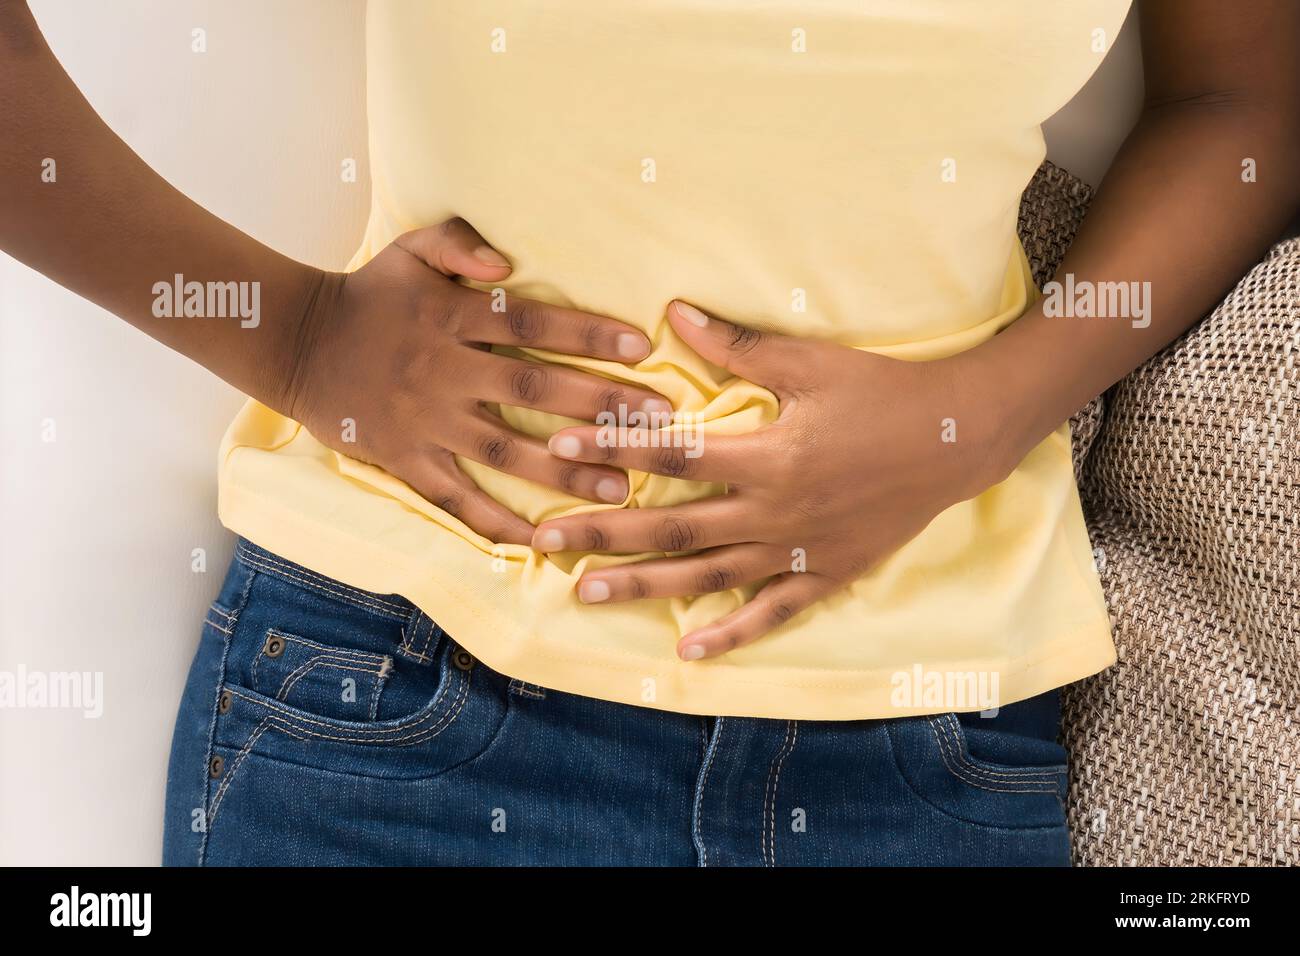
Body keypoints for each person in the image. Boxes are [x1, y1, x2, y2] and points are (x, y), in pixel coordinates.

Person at [3, 0, 1297, 865]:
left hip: (923, 743)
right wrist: (291, 338)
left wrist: (981, 417)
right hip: (399, 711)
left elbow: (1246, 104)